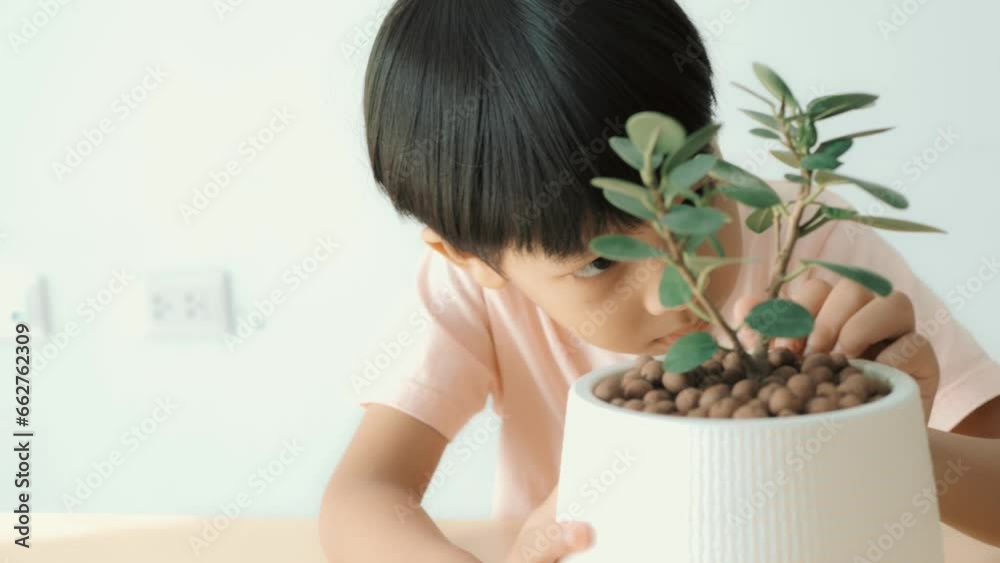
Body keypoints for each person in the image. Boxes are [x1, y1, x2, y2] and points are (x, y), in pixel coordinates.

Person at [320, 1, 1000, 560]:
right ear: (472, 259)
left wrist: (891, 437)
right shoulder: (473, 291)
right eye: (597, 262)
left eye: (692, 201)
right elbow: (362, 497)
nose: (673, 282)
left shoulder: (816, 245)